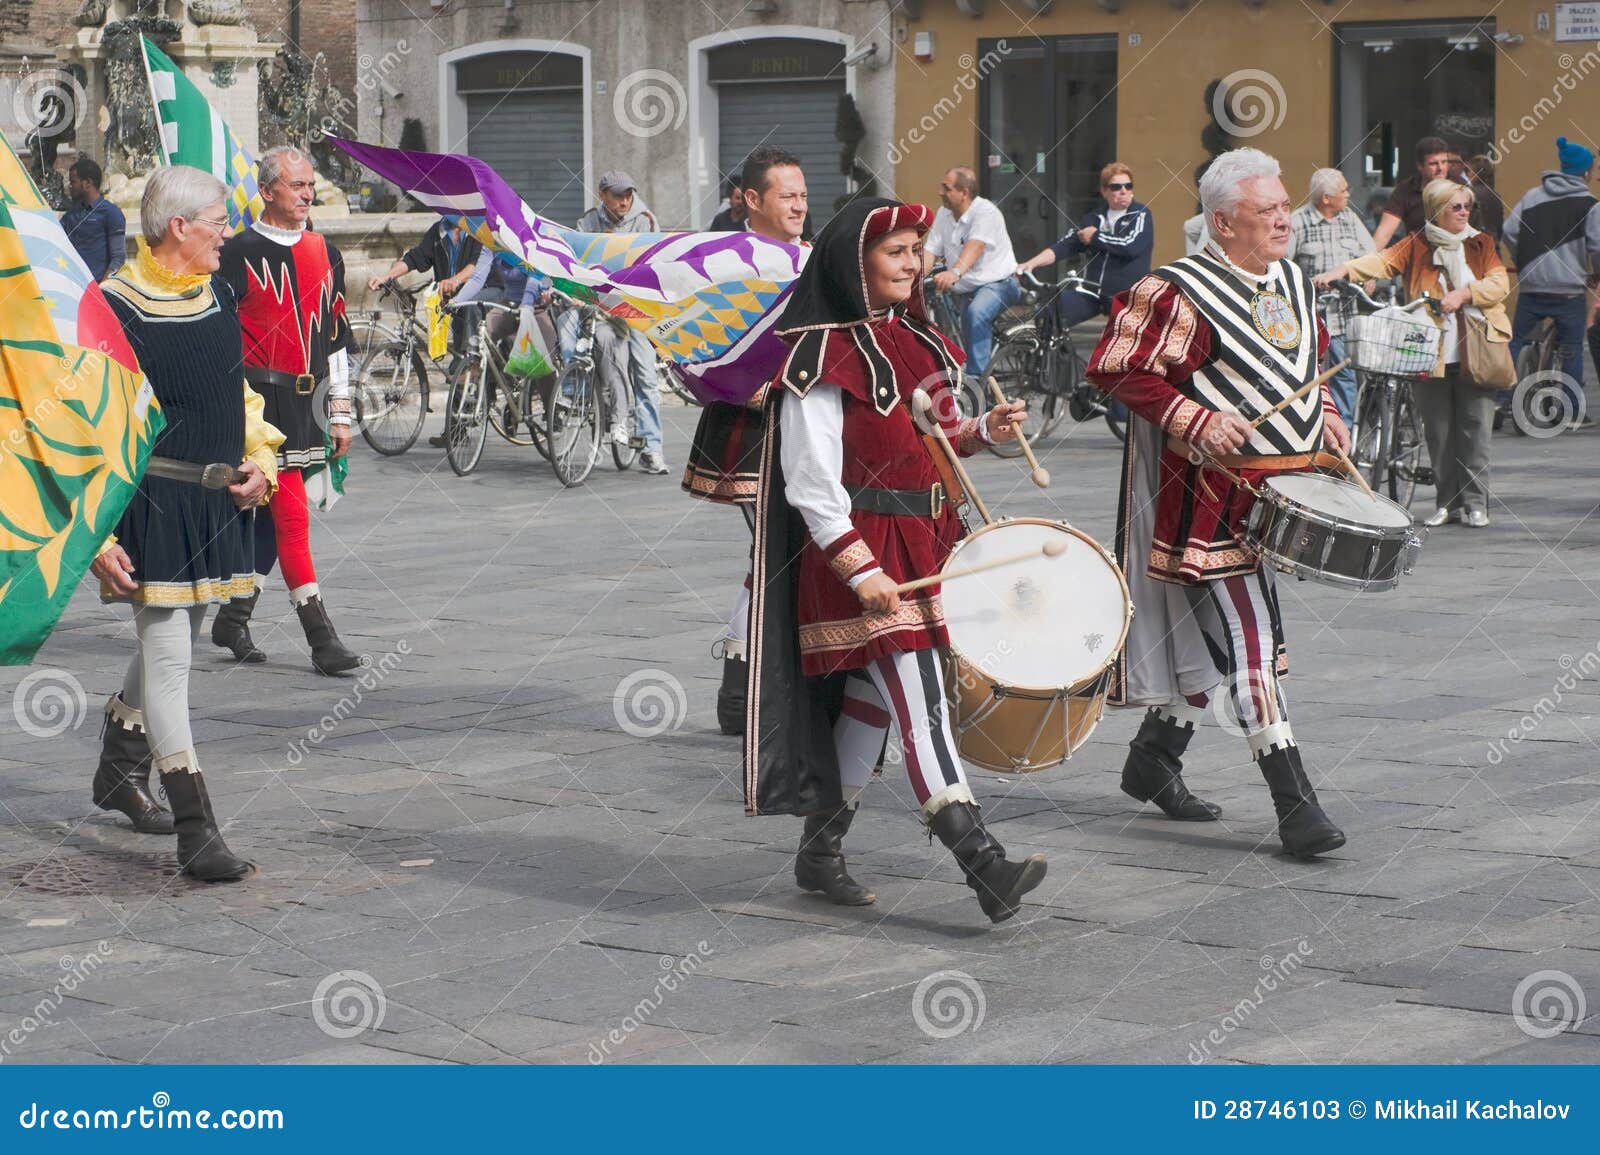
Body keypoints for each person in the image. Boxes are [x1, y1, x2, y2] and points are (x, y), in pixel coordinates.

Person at [743, 196, 1046, 923]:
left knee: (874, 705)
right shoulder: (819, 353)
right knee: (922, 697)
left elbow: (943, 437)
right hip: (863, 554)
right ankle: (983, 862)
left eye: (917, 248)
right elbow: (810, 482)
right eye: (896, 251)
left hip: (925, 542)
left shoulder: (918, 338)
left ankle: (820, 851)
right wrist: (863, 570)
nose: (913, 262)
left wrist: (985, 427)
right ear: (856, 262)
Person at [1086, 147, 1352, 860]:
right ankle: (1297, 806)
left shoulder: (1293, 280)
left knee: (1212, 637)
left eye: (1282, 206)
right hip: (1208, 495)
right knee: (1252, 636)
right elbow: (1117, 366)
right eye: (1266, 211)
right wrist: (1193, 417)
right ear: (1222, 222)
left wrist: (1324, 408)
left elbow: (1308, 359)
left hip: (1284, 491)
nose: (1282, 220)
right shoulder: (1179, 290)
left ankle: (1153, 759)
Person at [90, 166, 283, 882]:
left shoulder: (218, 291)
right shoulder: (114, 307)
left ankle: (117, 766)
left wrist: (259, 458)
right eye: (217, 223)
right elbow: (89, 427)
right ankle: (197, 829)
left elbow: (231, 388)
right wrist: (97, 538)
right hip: (153, 507)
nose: (226, 235)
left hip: (215, 500)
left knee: (172, 636)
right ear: (179, 227)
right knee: (171, 659)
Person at [214, 146, 363, 674]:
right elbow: (216, 334)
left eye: (310, 185)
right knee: (292, 515)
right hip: (256, 403)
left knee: (268, 519)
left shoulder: (326, 250)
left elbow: (337, 338)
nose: (308, 194)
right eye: (297, 185)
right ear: (268, 190)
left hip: (308, 399)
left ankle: (233, 616)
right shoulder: (235, 251)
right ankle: (321, 639)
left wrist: (340, 412)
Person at [680, 145, 809, 737]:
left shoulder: (812, 256)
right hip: (757, 427)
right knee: (781, 557)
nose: (799, 205)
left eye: (803, 195)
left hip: (813, 423)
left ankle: (747, 687)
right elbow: (688, 344)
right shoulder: (726, 262)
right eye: (787, 195)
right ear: (752, 200)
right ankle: (744, 690)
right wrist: (743, 386)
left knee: (785, 557)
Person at [1321, 179, 1512, 528]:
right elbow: (1379, 261)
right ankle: (1446, 502)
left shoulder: (1480, 243)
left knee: (1475, 430)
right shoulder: (1416, 245)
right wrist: (1342, 271)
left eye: (1467, 206)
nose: (1464, 212)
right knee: (1438, 433)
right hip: (1427, 353)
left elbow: (1500, 284)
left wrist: (1465, 293)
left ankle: (1475, 503)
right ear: (1437, 210)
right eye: (1456, 206)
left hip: (1477, 352)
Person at [571, 171, 669, 473]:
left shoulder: (645, 221)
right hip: (599, 305)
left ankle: (652, 448)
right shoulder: (587, 223)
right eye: (617, 195)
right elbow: (577, 261)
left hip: (636, 306)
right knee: (587, 359)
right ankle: (594, 430)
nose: (624, 200)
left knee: (645, 375)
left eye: (628, 194)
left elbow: (653, 265)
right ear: (603, 195)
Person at [370, 217, 492, 447]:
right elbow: (416, 257)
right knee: (460, 360)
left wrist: (455, 280)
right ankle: (458, 426)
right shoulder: (440, 230)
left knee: (465, 360)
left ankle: (458, 427)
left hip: (476, 300)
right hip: (450, 303)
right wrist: (388, 276)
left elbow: (476, 266)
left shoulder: (478, 229)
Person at [1505, 137, 1600, 425]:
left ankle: (1501, 398)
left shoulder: (1532, 196)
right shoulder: (1591, 205)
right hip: (1568, 290)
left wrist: (1525, 261)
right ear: (1584, 172)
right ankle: (1571, 410)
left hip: (1532, 285)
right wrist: (1594, 273)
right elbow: (1597, 246)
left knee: (1516, 339)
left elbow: (1509, 230)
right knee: (1571, 346)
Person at [1017, 162, 1154, 329]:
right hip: (1092, 292)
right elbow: (1065, 245)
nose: (1123, 191)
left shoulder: (1141, 214)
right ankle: (1059, 354)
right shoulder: (1093, 218)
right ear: (1104, 191)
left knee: (1121, 345)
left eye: (1128, 186)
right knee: (1050, 314)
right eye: (1116, 187)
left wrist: (1096, 236)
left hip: (1126, 296)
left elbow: (1130, 246)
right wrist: (1030, 264)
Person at [1287, 167, 1376, 424]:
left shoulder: (1349, 218)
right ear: (1326, 198)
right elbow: (1282, 265)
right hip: (1308, 316)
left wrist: (1370, 276)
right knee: (1304, 374)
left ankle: (1342, 434)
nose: (1349, 194)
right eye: (1344, 190)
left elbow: (1370, 256)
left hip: (1344, 314)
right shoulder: (1299, 221)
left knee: (1343, 375)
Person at [924, 165, 1020, 378]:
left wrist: (955, 272)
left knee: (976, 314)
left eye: (946, 188)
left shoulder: (986, 212)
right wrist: (912, 275)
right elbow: (930, 250)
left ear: (964, 193)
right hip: (963, 286)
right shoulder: (944, 213)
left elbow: (975, 245)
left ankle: (977, 383)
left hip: (999, 284)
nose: (940, 192)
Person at [1371, 136, 1452, 248]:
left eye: (1444, 162)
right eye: (1433, 164)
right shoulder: (1405, 190)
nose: (1440, 168)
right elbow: (1384, 233)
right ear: (1420, 166)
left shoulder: (1459, 186)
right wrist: (1365, 261)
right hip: (1417, 256)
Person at [59, 157, 126, 282]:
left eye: (73, 181)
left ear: (87, 183)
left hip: (97, 290)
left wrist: (103, 289)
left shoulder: (111, 213)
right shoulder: (71, 215)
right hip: (74, 287)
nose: (70, 186)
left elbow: (118, 258)